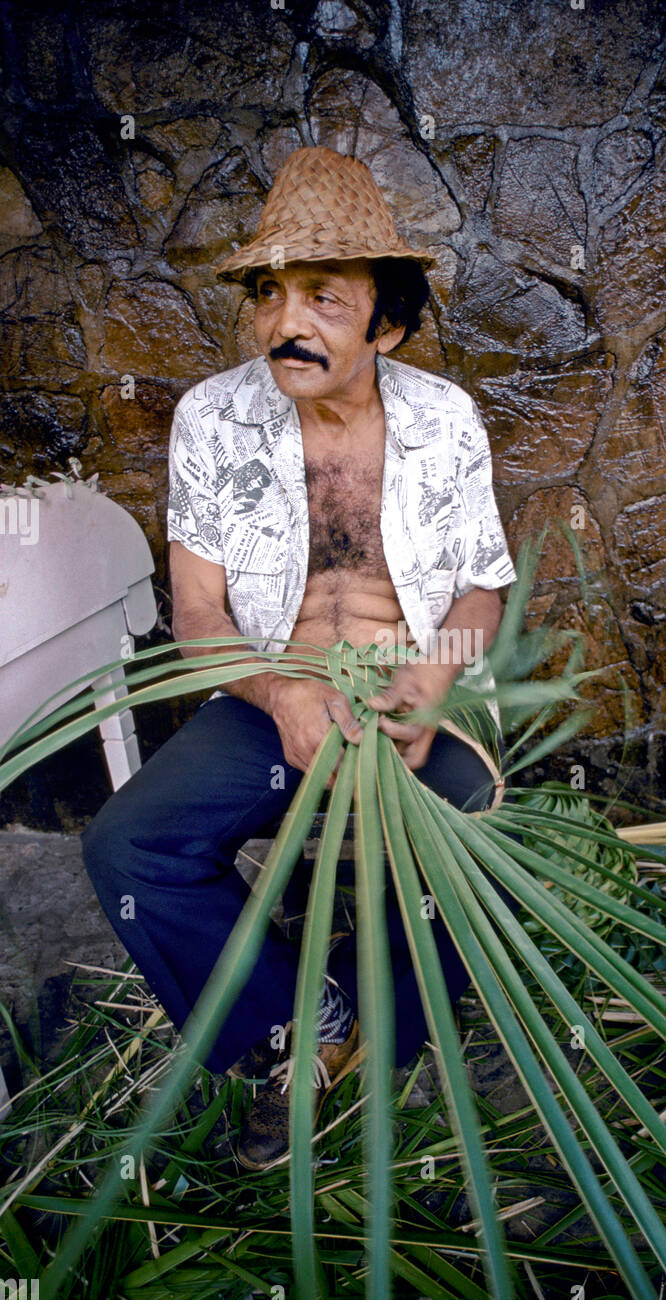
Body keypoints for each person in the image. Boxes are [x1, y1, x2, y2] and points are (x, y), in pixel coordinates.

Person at [81, 145, 517, 1171]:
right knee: (128, 847)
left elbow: (481, 589)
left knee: (467, 844)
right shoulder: (211, 420)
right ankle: (294, 1022)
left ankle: (385, 1036)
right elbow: (195, 611)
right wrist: (277, 690)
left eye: (323, 297)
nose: (286, 323)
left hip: (413, 703)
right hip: (267, 699)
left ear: (388, 320)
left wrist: (428, 683)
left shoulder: (445, 423)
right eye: (269, 295)